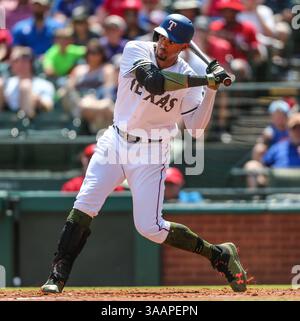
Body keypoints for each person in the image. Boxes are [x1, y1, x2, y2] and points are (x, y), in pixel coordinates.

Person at [41, 13, 247, 294]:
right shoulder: (136, 50)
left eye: (172, 41)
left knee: (150, 228)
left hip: (151, 152)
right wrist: (203, 79)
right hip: (115, 140)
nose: (163, 43)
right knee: (86, 202)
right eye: (162, 36)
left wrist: (211, 90)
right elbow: (153, 82)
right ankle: (58, 274)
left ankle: (219, 255)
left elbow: (196, 129)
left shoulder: (190, 77)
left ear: (183, 47)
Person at [59, 39, 115, 135]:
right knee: (86, 104)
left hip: (100, 101)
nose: (93, 56)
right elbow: (69, 88)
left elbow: (108, 90)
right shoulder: (79, 70)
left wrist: (96, 101)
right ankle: (97, 131)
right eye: (91, 53)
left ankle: (97, 131)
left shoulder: (107, 69)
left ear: (102, 54)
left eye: (97, 53)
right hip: (80, 103)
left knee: (106, 106)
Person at [244, 100, 290, 188]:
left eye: (281, 114)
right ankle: (255, 198)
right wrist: (264, 140)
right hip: (271, 164)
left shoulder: (294, 129)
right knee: (251, 165)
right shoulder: (268, 132)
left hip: (289, 163)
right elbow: (259, 152)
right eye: (276, 114)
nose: (278, 117)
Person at [0, 46, 54, 118]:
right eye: (13, 61)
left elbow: (48, 106)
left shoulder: (43, 84)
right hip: (9, 122)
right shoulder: (7, 83)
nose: (19, 64)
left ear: (30, 63)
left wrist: (36, 100)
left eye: (23, 60)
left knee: (25, 86)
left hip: (34, 121)